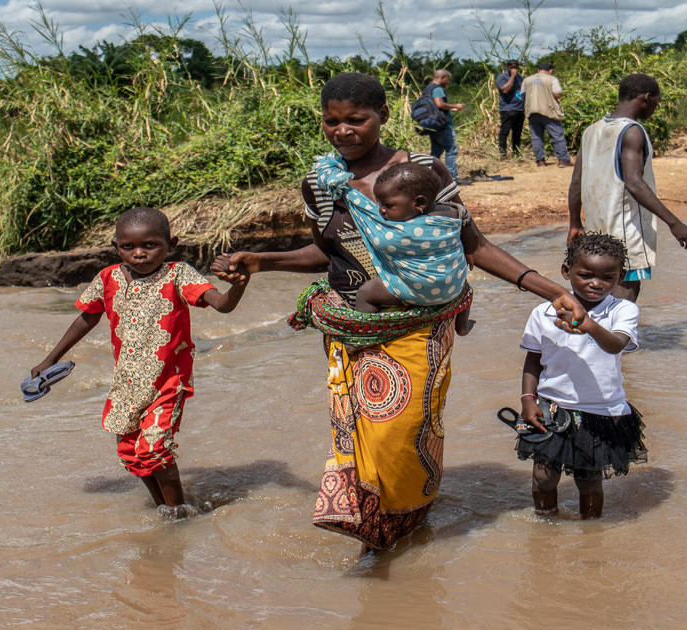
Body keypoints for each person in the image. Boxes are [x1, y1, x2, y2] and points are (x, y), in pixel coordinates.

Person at [212, 72, 587, 554]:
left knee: (404, 431)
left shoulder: (423, 172)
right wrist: (260, 262)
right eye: (332, 122)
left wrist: (550, 290)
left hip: (418, 327)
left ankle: (406, 520)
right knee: (360, 435)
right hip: (349, 326)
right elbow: (325, 253)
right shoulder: (321, 182)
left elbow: (472, 246)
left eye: (356, 120)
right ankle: (378, 536)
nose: (342, 131)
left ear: (384, 116)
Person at [31, 207, 248, 516]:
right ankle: (163, 507)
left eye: (150, 245)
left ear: (171, 244)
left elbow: (222, 305)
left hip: (168, 382)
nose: (139, 253)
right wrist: (50, 359)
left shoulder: (178, 274)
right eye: (128, 246)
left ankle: (179, 514)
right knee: (133, 454)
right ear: (116, 247)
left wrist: (239, 283)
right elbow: (85, 319)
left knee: (155, 448)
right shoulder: (108, 278)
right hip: (127, 384)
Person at [515, 232, 645, 519]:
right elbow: (533, 359)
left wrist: (589, 325)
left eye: (607, 278)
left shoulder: (622, 310)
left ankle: (590, 537)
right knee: (543, 478)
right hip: (551, 407)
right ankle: (545, 527)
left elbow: (616, 345)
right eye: (585, 275)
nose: (595, 284)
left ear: (620, 277)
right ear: (566, 272)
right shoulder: (543, 312)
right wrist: (527, 398)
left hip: (599, 411)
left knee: (588, 481)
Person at [567, 73, 687, 302]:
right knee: (626, 288)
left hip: (596, 228)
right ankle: (617, 337)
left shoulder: (592, 130)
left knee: (598, 289)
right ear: (646, 98)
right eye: (655, 104)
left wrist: (575, 223)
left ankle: (593, 335)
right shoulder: (632, 131)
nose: (654, 110)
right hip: (626, 229)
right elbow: (635, 183)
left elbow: (576, 182)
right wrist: (674, 223)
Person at [351, 161, 473, 336]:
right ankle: (462, 326)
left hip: (418, 291)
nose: (381, 211)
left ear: (419, 203)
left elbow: (378, 241)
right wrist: (468, 251)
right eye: (379, 204)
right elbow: (471, 232)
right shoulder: (454, 212)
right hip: (452, 290)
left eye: (388, 205)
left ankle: (359, 337)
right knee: (466, 288)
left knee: (366, 293)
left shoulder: (401, 232)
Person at [522, 62, 572, 167]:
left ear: (538, 70)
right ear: (550, 71)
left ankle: (540, 161)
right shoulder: (552, 79)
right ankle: (563, 160)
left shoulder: (527, 80)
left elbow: (522, 95)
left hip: (532, 110)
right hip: (549, 111)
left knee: (536, 137)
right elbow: (557, 94)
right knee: (557, 136)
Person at [425, 69, 468, 184]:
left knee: (436, 151)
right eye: (448, 80)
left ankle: (430, 175)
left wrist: (449, 108)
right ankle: (452, 176)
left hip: (433, 124)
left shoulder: (428, 88)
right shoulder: (438, 88)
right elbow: (439, 103)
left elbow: (436, 105)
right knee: (451, 149)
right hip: (443, 125)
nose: (448, 83)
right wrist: (456, 105)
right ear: (442, 77)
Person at [496, 59, 525, 157]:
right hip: (507, 109)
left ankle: (516, 153)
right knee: (505, 132)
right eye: (512, 67)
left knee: (517, 133)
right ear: (507, 67)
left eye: (516, 67)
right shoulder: (502, 77)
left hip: (519, 109)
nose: (514, 69)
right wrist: (512, 77)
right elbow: (505, 90)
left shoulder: (521, 78)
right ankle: (503, 154)